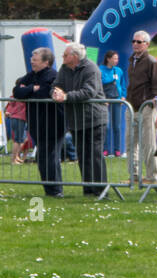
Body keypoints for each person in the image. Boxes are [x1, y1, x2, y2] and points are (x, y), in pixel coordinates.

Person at [51, 43, 108, 195]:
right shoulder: (64, 69)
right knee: (83, 156)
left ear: (74, 57)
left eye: (65, 55)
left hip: (94, 118)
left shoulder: (91, 68)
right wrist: (55, 93)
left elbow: (89, 92)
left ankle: (101, 190)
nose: (62, 57)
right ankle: (88, 189)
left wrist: (66, 96)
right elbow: (56, 85)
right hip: (76, 120)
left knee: (95, 154)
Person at [12, 47, 64, 196]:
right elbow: (17, 92)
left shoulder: (53, 75)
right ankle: (49, 189)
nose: (32, 62)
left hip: (53, 123)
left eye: (35, 60)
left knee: (50, 156)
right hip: (36, 123)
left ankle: (55, 190)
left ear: (46, 62)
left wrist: (31, 90)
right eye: (31, 60)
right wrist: (31, 88)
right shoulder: (30, 76)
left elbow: (45, 93)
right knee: (42, 157)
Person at [127, 32, 157, 185]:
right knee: (130, 144)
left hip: (147, 108)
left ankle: (152, 177)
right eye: (133, 41)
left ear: (147, 44)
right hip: (131, 107)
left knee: (148, 145)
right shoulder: (132, 60)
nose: (135, 44)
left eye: (139, 42)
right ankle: (134, 176)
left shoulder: (152, 62)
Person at [100, 50, 126, 158]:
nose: (116, 61)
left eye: (117, 58)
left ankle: (117, 150)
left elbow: (122, 84)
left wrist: (123, 96)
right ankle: (105, 149)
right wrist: (102, 99)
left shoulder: (118, 71)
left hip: (117, 99)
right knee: (106, 126)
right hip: (105, 100)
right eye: (114, 58)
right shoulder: (100, 70)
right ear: (108, 59)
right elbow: (99, 85)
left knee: (117, 126)